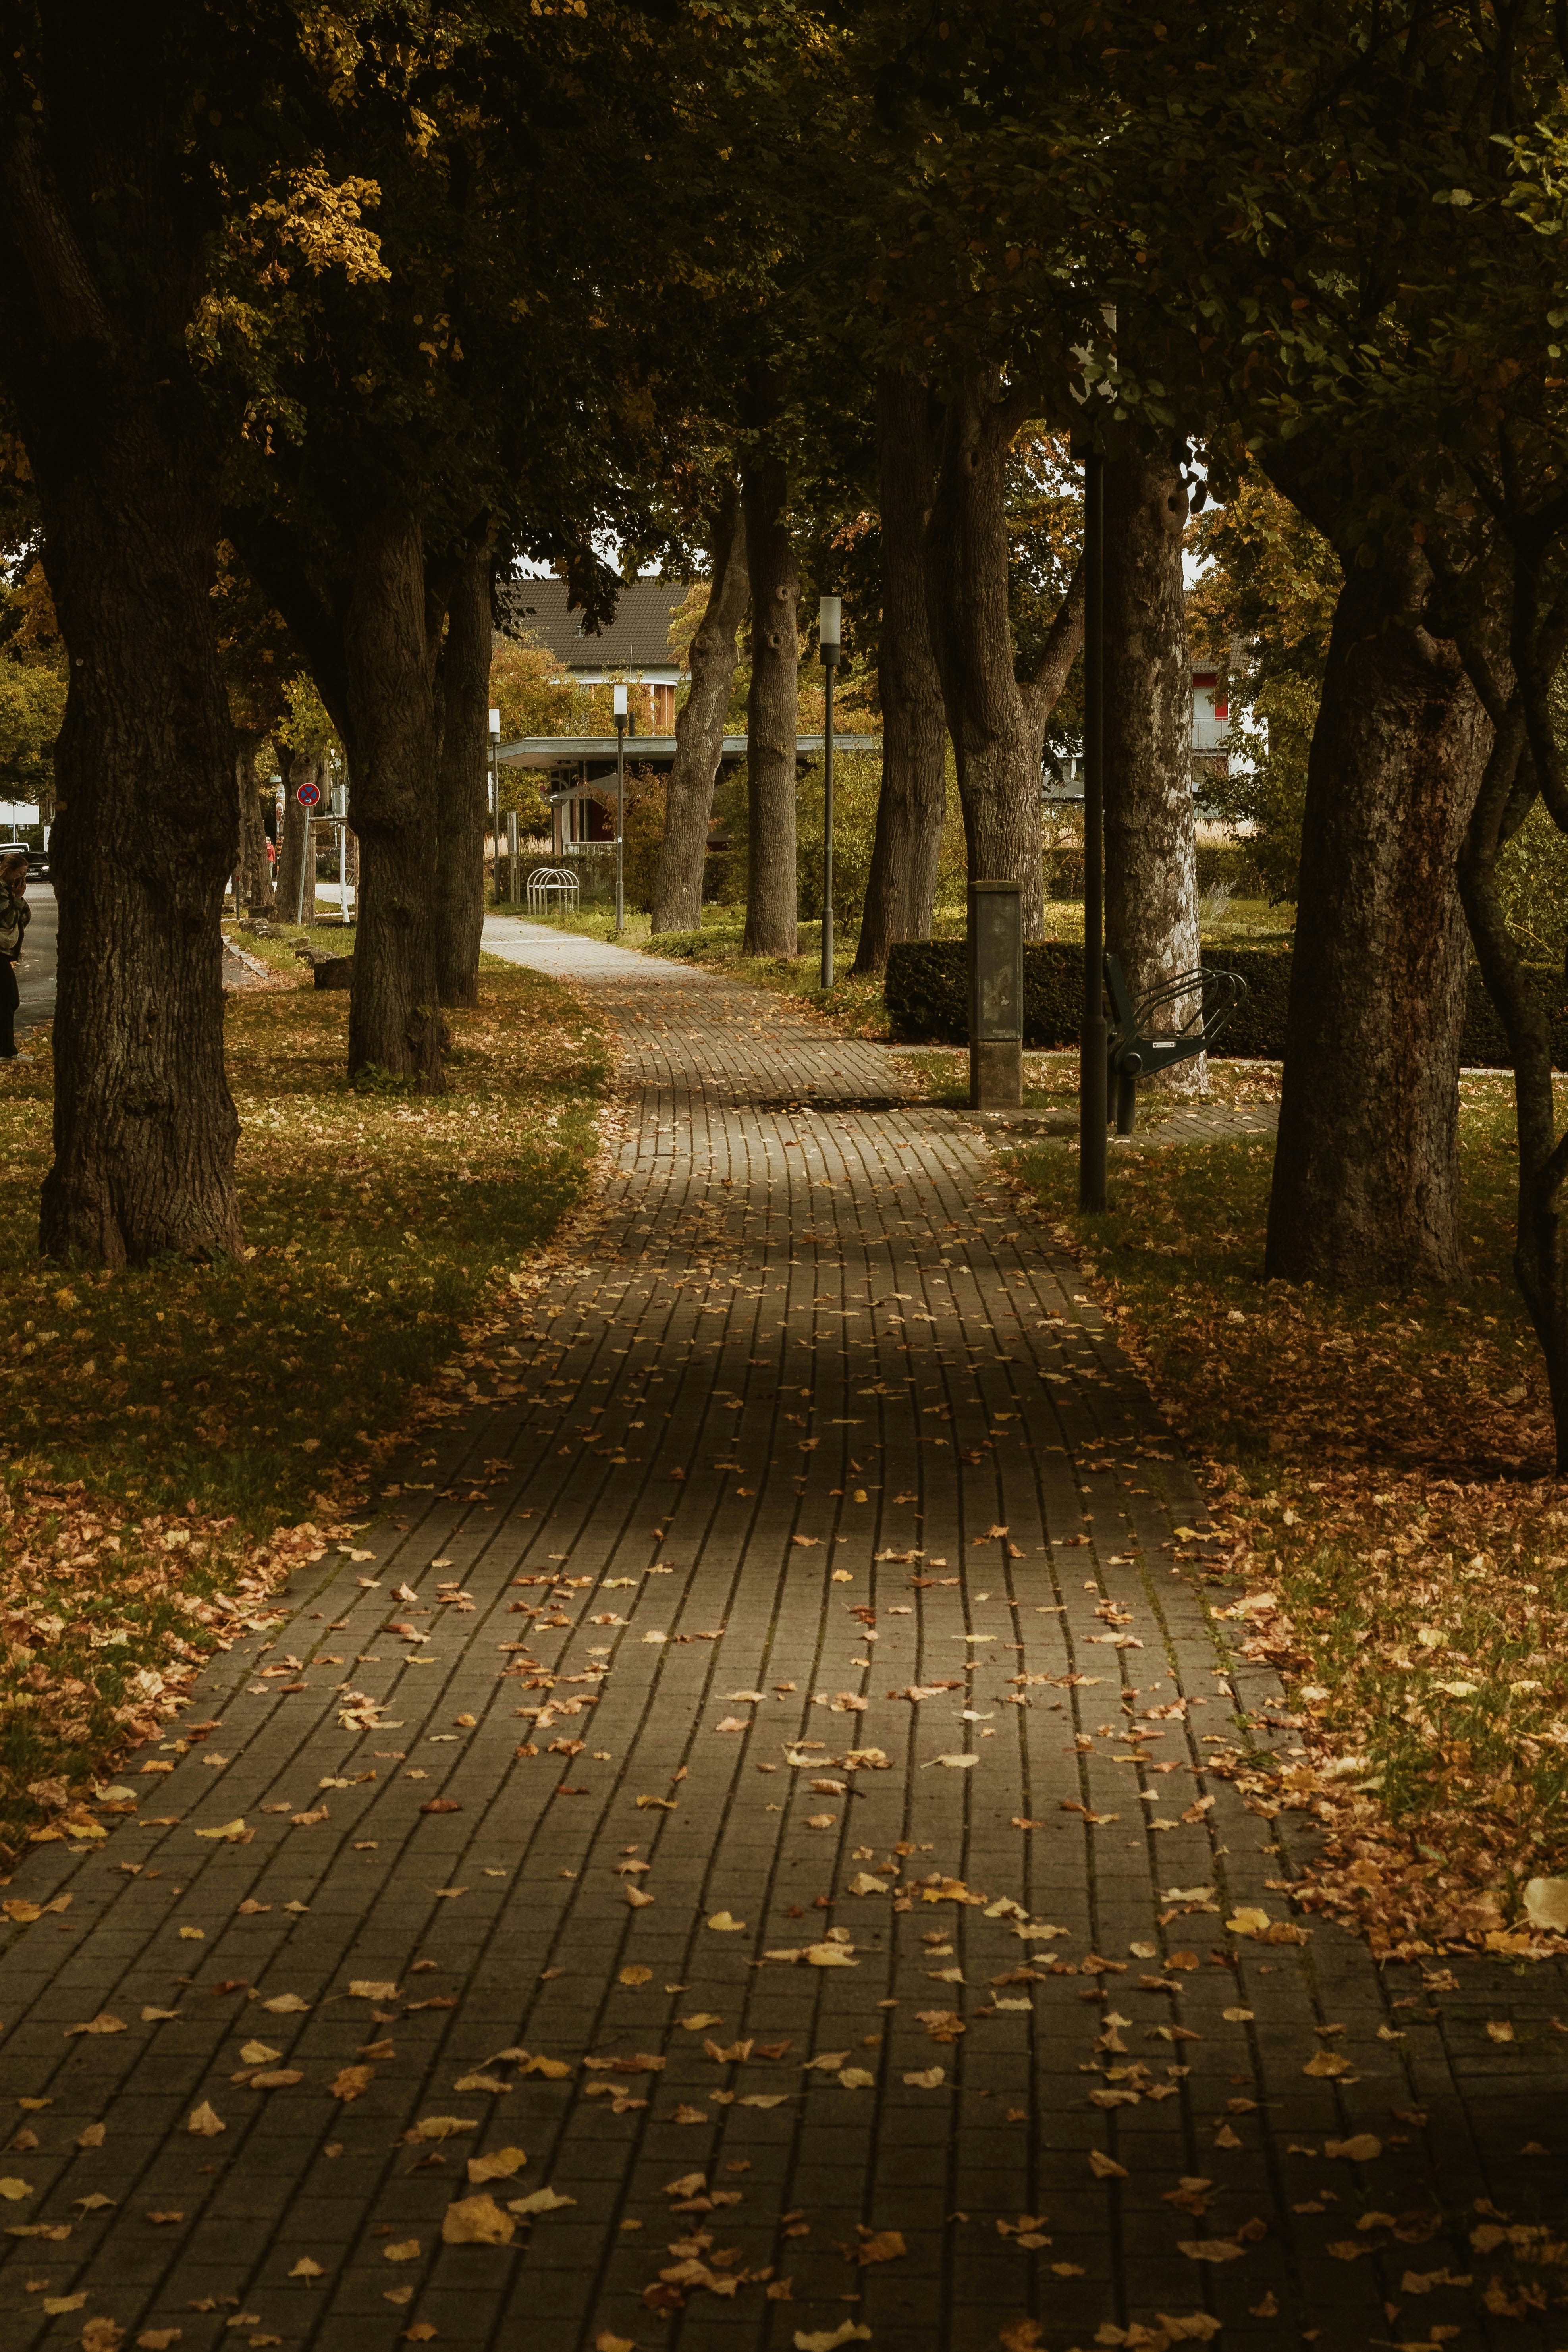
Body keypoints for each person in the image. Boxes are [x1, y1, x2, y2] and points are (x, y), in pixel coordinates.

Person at [0, 851, 29, 1059]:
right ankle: (7, 1051)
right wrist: (17, 899)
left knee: (8, 999)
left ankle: (6, 1049)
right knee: (8, 999)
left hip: (4, 952)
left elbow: (25, 917)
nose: (22, 879)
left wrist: (18, 899)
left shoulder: (9, 891)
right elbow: (9, 921)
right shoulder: (2, 891)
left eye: (25, 875)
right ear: (8, 871)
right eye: (19, 874)